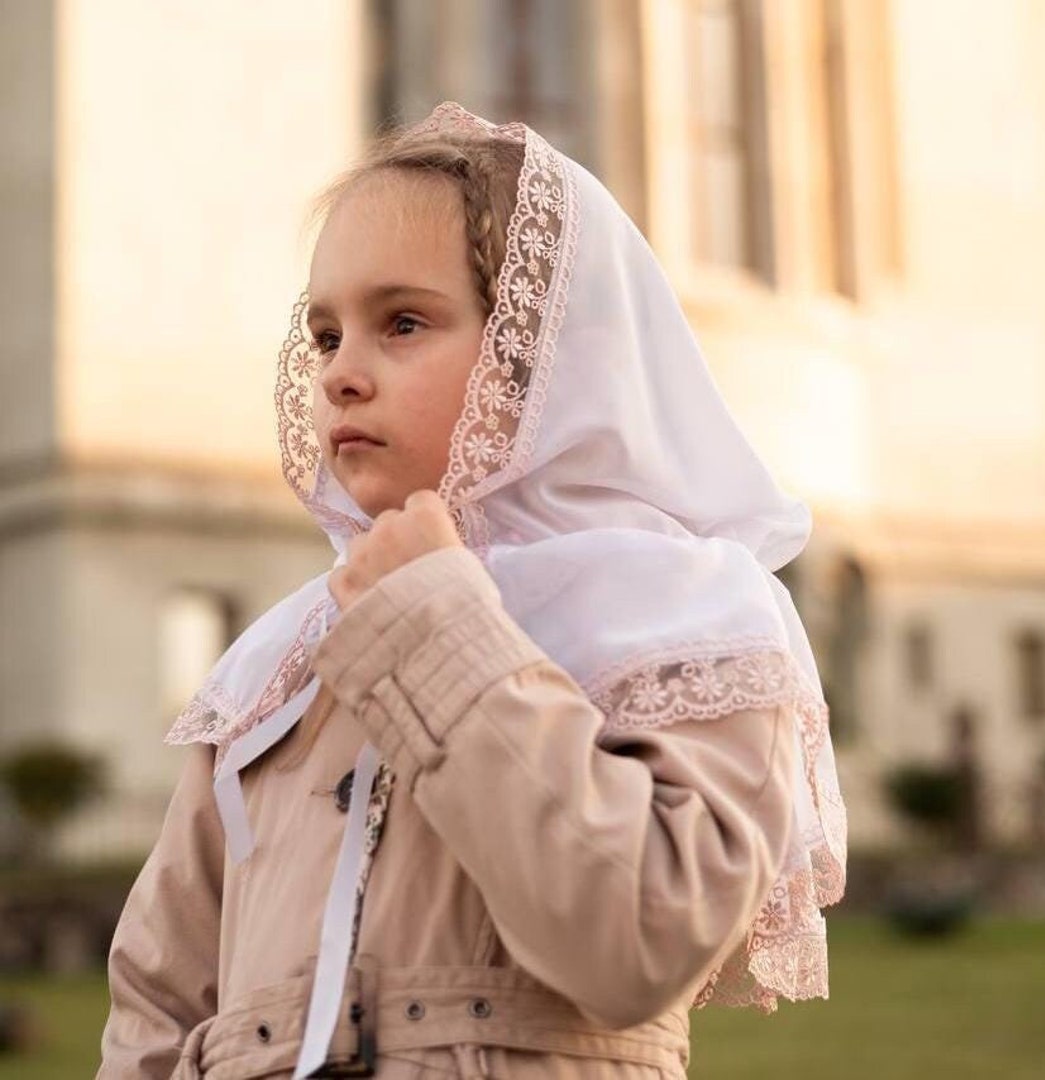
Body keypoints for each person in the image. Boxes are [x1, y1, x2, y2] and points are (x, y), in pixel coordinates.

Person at [97, 102, 847, 1079]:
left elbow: (639, 938)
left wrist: (436, 624)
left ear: (534, 352)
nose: (342, 377)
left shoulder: (678, 610)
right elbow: (157, 1001)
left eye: (402, 322)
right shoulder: (269, 672)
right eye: (325, 336)